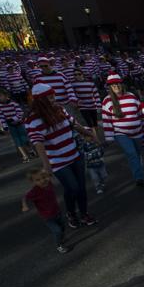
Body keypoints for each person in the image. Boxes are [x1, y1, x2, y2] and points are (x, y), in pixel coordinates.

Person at [25, 83, 98, 228]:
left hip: (75, 155)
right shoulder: (32, 120)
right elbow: (38, 143)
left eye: (53, 95)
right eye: (49, 96)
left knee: (81, 188)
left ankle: (83, 214)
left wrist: (91, 134)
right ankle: (71, 213)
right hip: (58, 162)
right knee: (73, 188)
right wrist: (46, 166)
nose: (53, 98)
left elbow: (75, 124)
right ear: (41, 100)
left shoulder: (59, 109)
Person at [101, 74, 144, 187]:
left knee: (137, 154)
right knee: (132, 154)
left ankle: (139, 172)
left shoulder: (131, 96)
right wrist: (109, 137)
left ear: (121, 84)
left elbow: (140, 111)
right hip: (121, 133)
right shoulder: (107, 101)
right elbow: (106, 121)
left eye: (117, 83)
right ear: (109, 87)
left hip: (137, 131)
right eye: (112, 84)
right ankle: (139, 178)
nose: (116, 85)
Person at [21, 168, 70, 254]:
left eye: (44, 177)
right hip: (48, 217)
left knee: (62, 227)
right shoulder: (34, 191)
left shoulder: (49, 184)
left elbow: (51, 177)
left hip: (57, 212)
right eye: (38, 180)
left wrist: (48, 174)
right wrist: (24, 206)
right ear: (33, 182)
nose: (42, 181)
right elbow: (25, 197)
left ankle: (61, 237)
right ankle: (59, 245)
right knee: (57, 230)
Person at [0, 87, 34, 163]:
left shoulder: (13, 103)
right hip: (11, 126)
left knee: (24, 139)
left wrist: (13, 119)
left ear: (6, 95)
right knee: (17, 141)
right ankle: (25, 156)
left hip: (19, 124)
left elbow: (20, 113)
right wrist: (5, 127)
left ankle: (31, 150)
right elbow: (1, 117)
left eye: (1, 95)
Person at [75, 129, 108, 194]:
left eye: (90, 136)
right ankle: (98, 187)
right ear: (84, 137)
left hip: (100, 163)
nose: (89, 137)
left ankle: (102, 182)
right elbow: (82, 153)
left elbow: (101, 150)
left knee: (104, 175)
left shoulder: (96, 143)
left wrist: (101, 150)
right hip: (91, 166)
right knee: (95, 178)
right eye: (87, 136)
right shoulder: (84, 146)